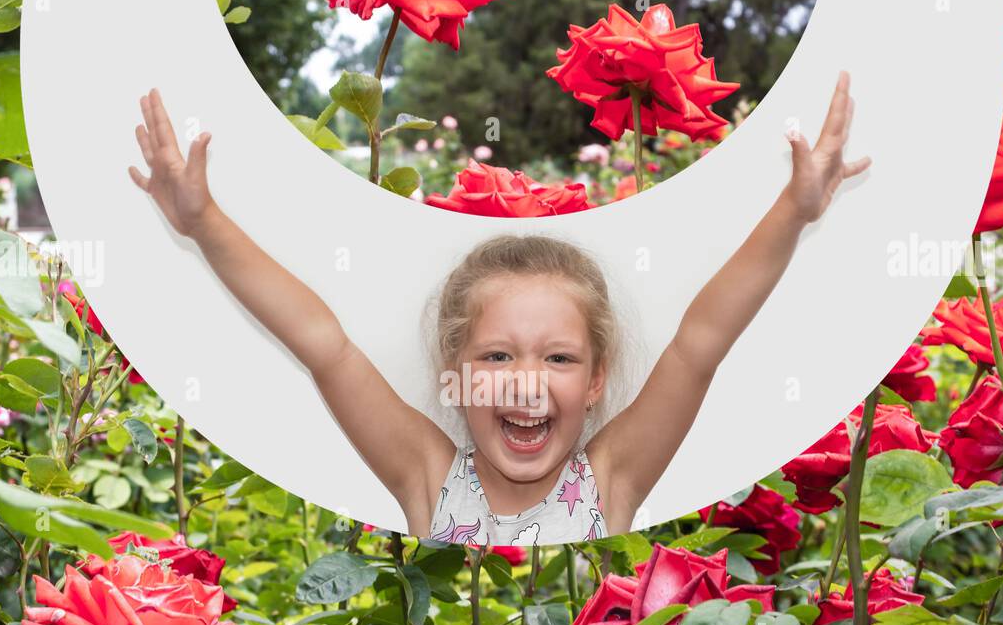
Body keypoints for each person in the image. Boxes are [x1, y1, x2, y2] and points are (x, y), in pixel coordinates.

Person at [128, 73, 870, 545]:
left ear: (599, 378)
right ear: (454, 373)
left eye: (558, 358)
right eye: (496, 356)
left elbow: (700, 342)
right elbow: (322, 342)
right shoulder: (425, 475)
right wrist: (203, 223)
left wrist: (794, 212)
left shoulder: (613, 481)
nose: (526, 382)